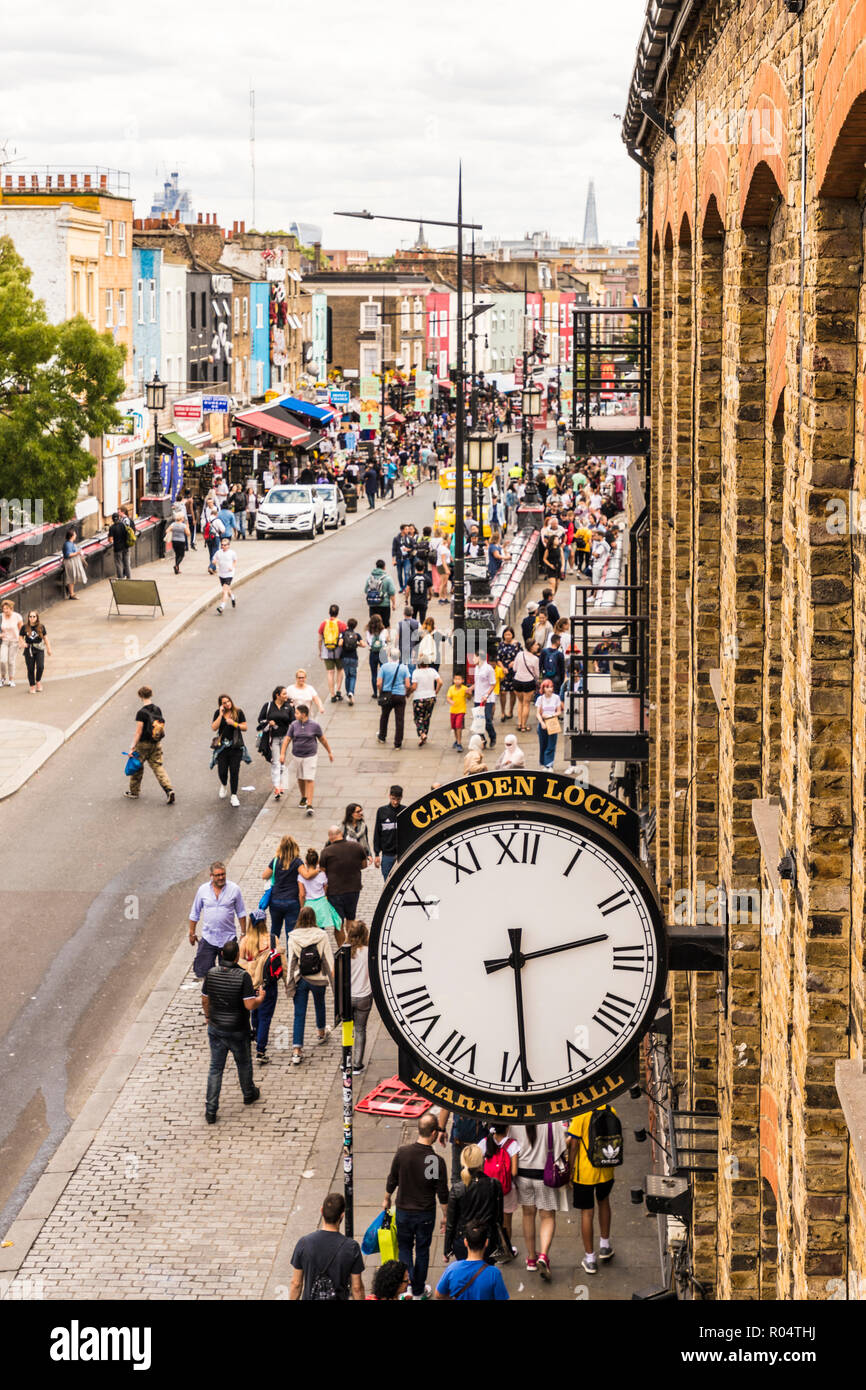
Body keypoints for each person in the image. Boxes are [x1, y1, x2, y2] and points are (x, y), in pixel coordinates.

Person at [384, 1113, 449, 1300]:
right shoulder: (436, 1161)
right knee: (422, 1250)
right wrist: (445, 1215)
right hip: (425, 1214)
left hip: (403, 1211)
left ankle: (407, 1287)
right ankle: (419, 1289)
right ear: (435, 1133)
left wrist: (387, 1197)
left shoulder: (403, 1153)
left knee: (404, 1248)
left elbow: (393, 1178)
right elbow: (442, 1193)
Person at [200, 937, 263, 1123]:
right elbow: (249, 1004)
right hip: (237, 1029)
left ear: (221, 955)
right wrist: (261, 999)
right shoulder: (243, 976)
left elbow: (205, 998)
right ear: (237, 957)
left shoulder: (211, 973)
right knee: (243, 1063)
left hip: (216, 1028)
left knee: (215, 1068)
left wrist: (208, 1017)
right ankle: (248, 1093)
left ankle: (211, 1110)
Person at [514, 1121, 570, 1279]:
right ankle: (543, 1255)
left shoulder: (515, 1120)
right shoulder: (553, 1121)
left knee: (528, 1215)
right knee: (547, 1216)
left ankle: (531, 1258)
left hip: (522, 1175)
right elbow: (561, 1148)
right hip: (545, 1176)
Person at [567, 1106, 617, 1276]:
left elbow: (573, 1144)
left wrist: (570, 1169)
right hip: (606, 1168)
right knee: (604, 1202)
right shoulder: (611, 1110)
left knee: (587, 1213)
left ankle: (590, 1259)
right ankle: (605, 1245)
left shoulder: (581, 1114)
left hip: (585, 1173)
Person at [289, 1192, 365, 1300]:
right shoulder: (351, 1247)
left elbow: (296, 1284)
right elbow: (357, 1288)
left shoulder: (304, 1243)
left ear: (321, 1211)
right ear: (342, 1215)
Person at [285, 905, 334, 1065]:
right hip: (318, 978)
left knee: (299, 1013)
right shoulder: (321, 935)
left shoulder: (293, 937)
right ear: (314, 919)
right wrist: (335, 986)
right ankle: (321, 1032)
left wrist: (289, 984)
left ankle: (297, 1050)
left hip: (301, 979)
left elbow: (291, 961)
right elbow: (328, 960)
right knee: (320, 1005)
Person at [443, 1145, 504, 1264]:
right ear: (482, 1162)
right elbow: (498, 1218)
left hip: (463, 1241)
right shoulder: (494, 1184)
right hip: (487, 1240)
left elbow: (451, 1223)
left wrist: (447, 1249)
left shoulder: (457, 1188)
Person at [238, 909, 285, 1064]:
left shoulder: (245, 941)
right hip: (268, 984)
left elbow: (239, 963)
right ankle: (261, 1049)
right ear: (265, 922)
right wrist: (287, 982)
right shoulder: (272, 940)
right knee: (265, 1016)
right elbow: (281, 963)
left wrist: (250, 968)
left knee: (254, 1011)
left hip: (250, 985)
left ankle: (257, 1035)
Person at [188, 861, 248, 979]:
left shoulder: (234, 889)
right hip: (208, 938)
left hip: (228, 939)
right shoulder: (203, 890)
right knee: (203, 971)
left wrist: (243, 933)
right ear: (211, 876)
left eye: (223, 874)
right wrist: (192, 932)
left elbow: (241, 912)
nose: (221, 877)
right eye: (218, 875)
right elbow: (195, 913)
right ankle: (208, 993)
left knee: (228, 974)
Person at [280, 703, 334, 816]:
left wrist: (329, 752)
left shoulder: (314, 725)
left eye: (297, 713)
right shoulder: (294, 725)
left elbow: (322, 739)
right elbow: (287, 740)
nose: (295, 715)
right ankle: (303, 796)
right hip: (297, 755)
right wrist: (282, 754)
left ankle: (309, 804)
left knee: (309, 778)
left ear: (303, 714)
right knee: (300, 777)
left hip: (310, 756)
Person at [126, 683, 174, 803]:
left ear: (140, 696)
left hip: (143, 744)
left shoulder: (141, 713)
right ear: (151, 694)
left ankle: (134, 791)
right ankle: (168, 789)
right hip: (156, 743)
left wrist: (132, 747)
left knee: (137, 767)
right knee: (158, 767)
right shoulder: (157, 709)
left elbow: (138, 732)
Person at [478, 1125, 520, 1246]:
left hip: (488, 1189)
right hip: (506, 1189)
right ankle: (506, 1249)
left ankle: (490, 1246)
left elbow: (479, 1166)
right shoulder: (512, 1145)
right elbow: (514, 1172)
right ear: (507, 1129)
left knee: (489, 1219)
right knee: (507, 1223)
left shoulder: (484, 1142)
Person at [321, 825, 367, 924]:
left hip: (334, 891)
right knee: (351, 919)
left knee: (338, 923)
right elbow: (364, 865)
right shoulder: (357, 846)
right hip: (353, 889)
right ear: (341, 834)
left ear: (330, 837)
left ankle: (341, 940)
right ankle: (350, 939)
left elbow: (322, 872)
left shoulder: (326, 852)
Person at [261, 834, 304, 942]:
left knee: (275, 930)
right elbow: (305, 875)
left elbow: (264, 875)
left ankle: (271, 954)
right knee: (291, 933)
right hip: (292, 901)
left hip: (276, 901)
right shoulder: (297, 862)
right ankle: (291, 957)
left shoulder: (275, 861)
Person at [256, 685, 294, 800]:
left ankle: (281, 784)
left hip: (285, 738)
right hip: (272, 738)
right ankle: (277, 787)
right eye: (284, 694)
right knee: (276, 762)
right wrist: (269, 722)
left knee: (282, 761)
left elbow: (293, 721)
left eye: (286, 694)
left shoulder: (288, 707)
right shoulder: (268, 706)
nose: (286, 696)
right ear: (277, 695)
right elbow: (260, 719)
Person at [210, 693, 247, 806]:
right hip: (222, 748)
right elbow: (213, 727)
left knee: (234, 771)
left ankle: (234, 795)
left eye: (228, 701)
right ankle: (224, 784)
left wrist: (234, 723)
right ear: (221, 705)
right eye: (224, 703)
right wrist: (221, 715)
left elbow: (245, 727)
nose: (227, 704)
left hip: (236, 747)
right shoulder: (218, 713)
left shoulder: (238, 712)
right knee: (222, 771)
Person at [346, 919, 373, 1073]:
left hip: (348, 997)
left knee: (348, 1029)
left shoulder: (344, 951)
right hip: (364, 996)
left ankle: (347, 1060)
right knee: (360, 1029)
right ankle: (357, 1064)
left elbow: (336, 974)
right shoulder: (368, 952)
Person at [376, 646, 412, 750]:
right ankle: (397, 743)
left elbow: (379, 683)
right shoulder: (404, 668)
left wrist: (381, 692)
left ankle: (382, 736)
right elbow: (408, 684)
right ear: (399, 657)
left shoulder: (384, 667)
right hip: (400, 695)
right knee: (399, 719)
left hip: (387, 694)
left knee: (384, 716)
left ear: (389, 656)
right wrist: (406, 693)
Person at [373, 785, 404, 880]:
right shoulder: (382, 811)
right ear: (389, 796)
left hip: (401, 854)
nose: (395, 802)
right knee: (387, 881)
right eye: (393, 799)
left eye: (398, 799)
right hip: (387, 855)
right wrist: (377, 854)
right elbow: (377, 832)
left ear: (401, 798)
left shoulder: (404, 811)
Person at [318, 603, 347, 702]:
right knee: (340, 670)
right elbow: (345, 637)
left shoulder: (323, 624)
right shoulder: (341, 624)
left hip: (327, 651)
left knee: (330, 672)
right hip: (339, 651)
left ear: (329, 612)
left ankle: (332, 694)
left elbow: (320, 639)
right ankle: (338, 690)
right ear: (338, 613)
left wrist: (320, 651)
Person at [410, 656, 441, 746]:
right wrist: (436, 691)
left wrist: (409, 692)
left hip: (419, 698)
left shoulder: (416, 672)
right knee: (427, 718)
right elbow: (440, 682)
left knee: (418, 717)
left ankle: (422, 733)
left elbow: (414, 686)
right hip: (431, 697)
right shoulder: (432, 671)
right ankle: (424, 736)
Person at [535, 677, 563, 769]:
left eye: (551, 687)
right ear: (543, 688)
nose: (549, 689)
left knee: (551, 744)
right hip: (543, 723)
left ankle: (549, 764)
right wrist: (542, 723)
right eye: (547, 687)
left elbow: (559, 711)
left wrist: (552, 715)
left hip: (552, 722)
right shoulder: (540, 699)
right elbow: (538, 713)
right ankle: (544, 763)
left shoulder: (556, 697)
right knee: (543, 744)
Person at [20, 610, 52, 693]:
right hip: (29, 649)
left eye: (34, 616)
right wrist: (23, 643)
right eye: (30, 616)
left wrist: (49, 648)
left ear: (37, 617)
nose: (32, 618)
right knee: (30, 668)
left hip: (39, 649)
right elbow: (20, 637)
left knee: (40, 666)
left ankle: (38, 681)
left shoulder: (41, 627)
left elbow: (45, 638)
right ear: (28, 618)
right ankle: (32, 686)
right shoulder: (25, 627)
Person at [512, 643, 540, 732]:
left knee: (520, 702)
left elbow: (514, 668)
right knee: (526, 704)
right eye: (535, 645)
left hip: (517, 681)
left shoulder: (519, 654)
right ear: (531, 647)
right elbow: (537, 674)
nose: (537, 646)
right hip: (528, 682)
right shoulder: (535, 659)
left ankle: (519, 723)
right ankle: (524, 726)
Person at [473, 649, 497, 748]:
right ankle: (482, 739)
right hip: (477, 698)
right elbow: (477, 682)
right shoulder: (476, 668)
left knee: (486, 719)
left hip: (487, 699)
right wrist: (470, 688)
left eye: (474, 657)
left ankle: (493, 736)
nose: (473, 659)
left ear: (479, 657)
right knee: (478, 720)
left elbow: (493, 684)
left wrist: (486, 695)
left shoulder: (488, 669)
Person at [496, 627, 520, 721]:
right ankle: (502, 712)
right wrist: (503, 667)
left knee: (513, 692)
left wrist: (514, 662)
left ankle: (510, 711)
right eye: (506, 634)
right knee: (503, 692)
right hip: (504, 671)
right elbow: (498, 659)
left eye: (509, 634)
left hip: (514, 671)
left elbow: (520, 656)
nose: (507, 636)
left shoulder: (517, 644)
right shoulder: (500, 645)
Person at [365, 613, 390, 699]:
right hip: (382, 653)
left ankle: (375, 693)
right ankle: (383, 691)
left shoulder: (368, 631)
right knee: (384, 673)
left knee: (374, 674)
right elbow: (387, 640)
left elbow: (368, 642)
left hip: (373, 653)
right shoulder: (384, 630)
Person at [339, 618, 363, 705]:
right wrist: (356, 643)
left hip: (345, 657)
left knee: (347, 676)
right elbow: (363, 645)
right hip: (353, 657)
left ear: (347, 624)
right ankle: (351, 692)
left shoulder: (343, 634)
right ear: (355, 626)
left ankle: (348, 692)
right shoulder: (357, 635)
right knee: (353, 676)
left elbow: (340, 644)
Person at [365, 558, 396, 626]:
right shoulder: (387, 578)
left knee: (374, 625)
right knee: (385, 624)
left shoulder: (370, 578)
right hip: (384, 605)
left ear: (376, 566)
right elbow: (392, 592)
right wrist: (393, 604)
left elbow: (365, 590)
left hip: (373, 604)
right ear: (384, 567)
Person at [0, 600, 23, 687]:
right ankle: (2, 678)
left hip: (14, 642)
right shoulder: (1, 617)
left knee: (11, 661)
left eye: (7, 609)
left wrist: (21, 641)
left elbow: (22, 630)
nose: (5, 610)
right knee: (2, 660)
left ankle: (11, 679)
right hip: (4, 641)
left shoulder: (17, 616)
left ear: (11, 608)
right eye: (4, 609)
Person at [214, 536, 237, 614]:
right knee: (227, 589)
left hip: (229, 574)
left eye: (225, 545)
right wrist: (214, 561)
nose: (223, 546)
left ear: (228, 545)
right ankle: (233, 597)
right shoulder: (218, 552)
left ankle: (222, 606)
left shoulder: (232, 553)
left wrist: (232, 567)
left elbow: (235, 561)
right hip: (221, 573)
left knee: (224, 590)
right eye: (222, 545)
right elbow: (214, 559)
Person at [62, 528, 87, 599]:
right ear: (71, 536)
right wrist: (78, 553)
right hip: (70, 562)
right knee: (71, 577)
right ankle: (71, 594)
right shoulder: (67, 544)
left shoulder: (71, 543)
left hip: (73, 562)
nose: (76, 535)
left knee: (73, 577)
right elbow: (68, 555)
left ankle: (71, 592)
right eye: (75, 534)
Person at [446, 671, 467, 751]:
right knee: (454, 727)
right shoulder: (451, 688)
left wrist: (469, 693)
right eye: (455, 679)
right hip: (453, 711)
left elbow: (468, 697)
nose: (457, 681)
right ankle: (457, 739)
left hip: (461, 710)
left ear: (462, 680)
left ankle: (459, 742)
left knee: (458, 726)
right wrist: (450, 701)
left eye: (459, 679)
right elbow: (448, 698)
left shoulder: (464, 688)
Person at [108, 511, 132, 580]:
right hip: (126, 547)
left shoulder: (112, 528)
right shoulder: (123, 525)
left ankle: (120, 579)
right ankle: (129, 578)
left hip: (117, 548)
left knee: (119, 564)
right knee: (127, 563)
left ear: (112, 519)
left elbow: (110, 540)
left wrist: (109, 539)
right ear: (119, 518)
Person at [167, 508, 191, 573]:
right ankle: (176, 565)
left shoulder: (173, 524)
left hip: (174, 541)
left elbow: (167, 531)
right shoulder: (183, 525)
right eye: (183, 518)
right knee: (182, 555)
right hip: (181, 541)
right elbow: (188, 534)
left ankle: (177, 569)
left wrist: (173, 530)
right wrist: (187, 527)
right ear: (181, 518)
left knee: (177, 554)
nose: (183, 519)